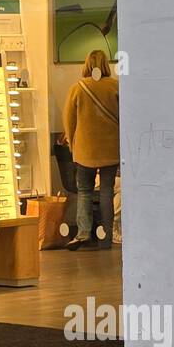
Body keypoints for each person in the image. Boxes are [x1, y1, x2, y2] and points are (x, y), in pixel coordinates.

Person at [62, 49, 120, 250]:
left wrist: (72, 143)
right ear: (105, 65)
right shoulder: (115, 87)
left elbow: (69, 121)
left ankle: (83, 233)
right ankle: (106, 237)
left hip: (85, 151)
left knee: (84, 190)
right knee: (106, 191)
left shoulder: (77, 88)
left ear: (87, 65)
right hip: (111, 150)